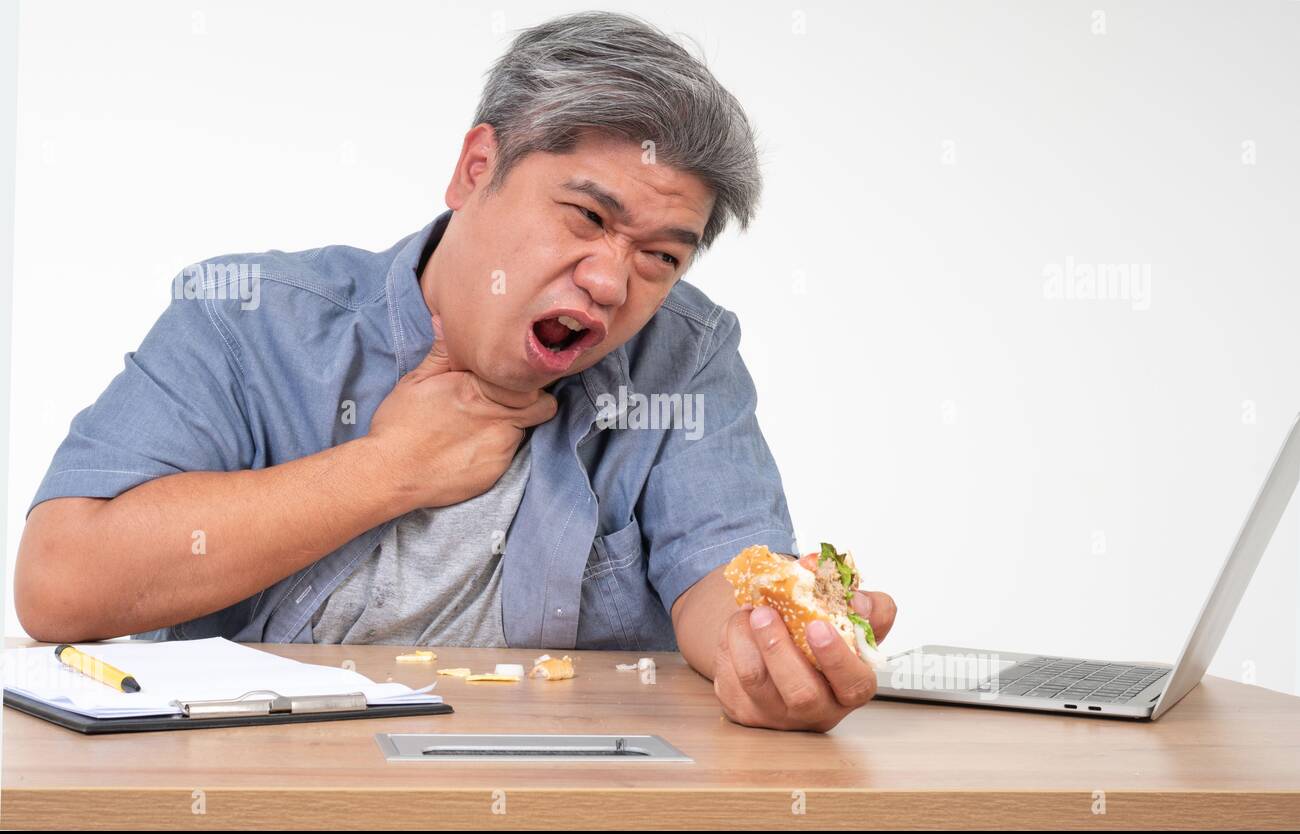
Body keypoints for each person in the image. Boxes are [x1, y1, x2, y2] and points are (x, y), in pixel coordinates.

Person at [15, 11, 896, 732]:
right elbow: (58, 583)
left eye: (662, 257)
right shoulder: (247, 316)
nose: (610, 281)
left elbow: (720, 572)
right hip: (260, 797)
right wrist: (392, 468)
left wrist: (766, 656)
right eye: (587, 216)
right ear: (477, 170)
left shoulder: (683, 357)